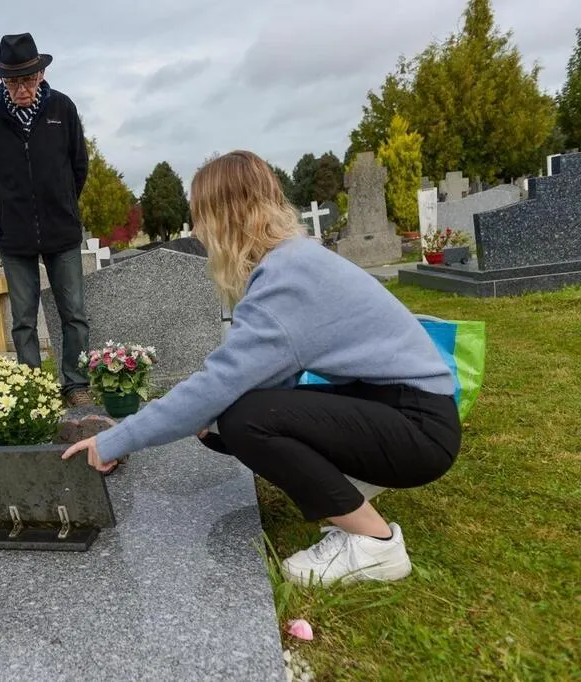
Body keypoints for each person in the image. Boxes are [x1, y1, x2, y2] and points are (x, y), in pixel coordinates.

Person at [63, 151, 462, 586]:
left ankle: (376, 544)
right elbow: (268, 381)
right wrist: (209, 419)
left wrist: (115, 439)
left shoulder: (284, 281)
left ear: (228, 215)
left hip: (418, 431)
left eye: (200, 216)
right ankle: (350, 496)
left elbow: (218, 385)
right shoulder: (292, 261)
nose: (196, 231)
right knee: (233, 420)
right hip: (408, 412)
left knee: (244, 421)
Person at [0, 32, 92, 406]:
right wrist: (11, 208)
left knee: (73, 313)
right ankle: (33, 389)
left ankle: (76, 385)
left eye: (27, 79)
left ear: (40, 75)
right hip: (15, 236)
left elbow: (78, 166)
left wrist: (61, 203)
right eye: (12, 81)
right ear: (1, 80)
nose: (21, 88)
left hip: (62, 230)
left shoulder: (62, 109)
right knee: (23, 319)